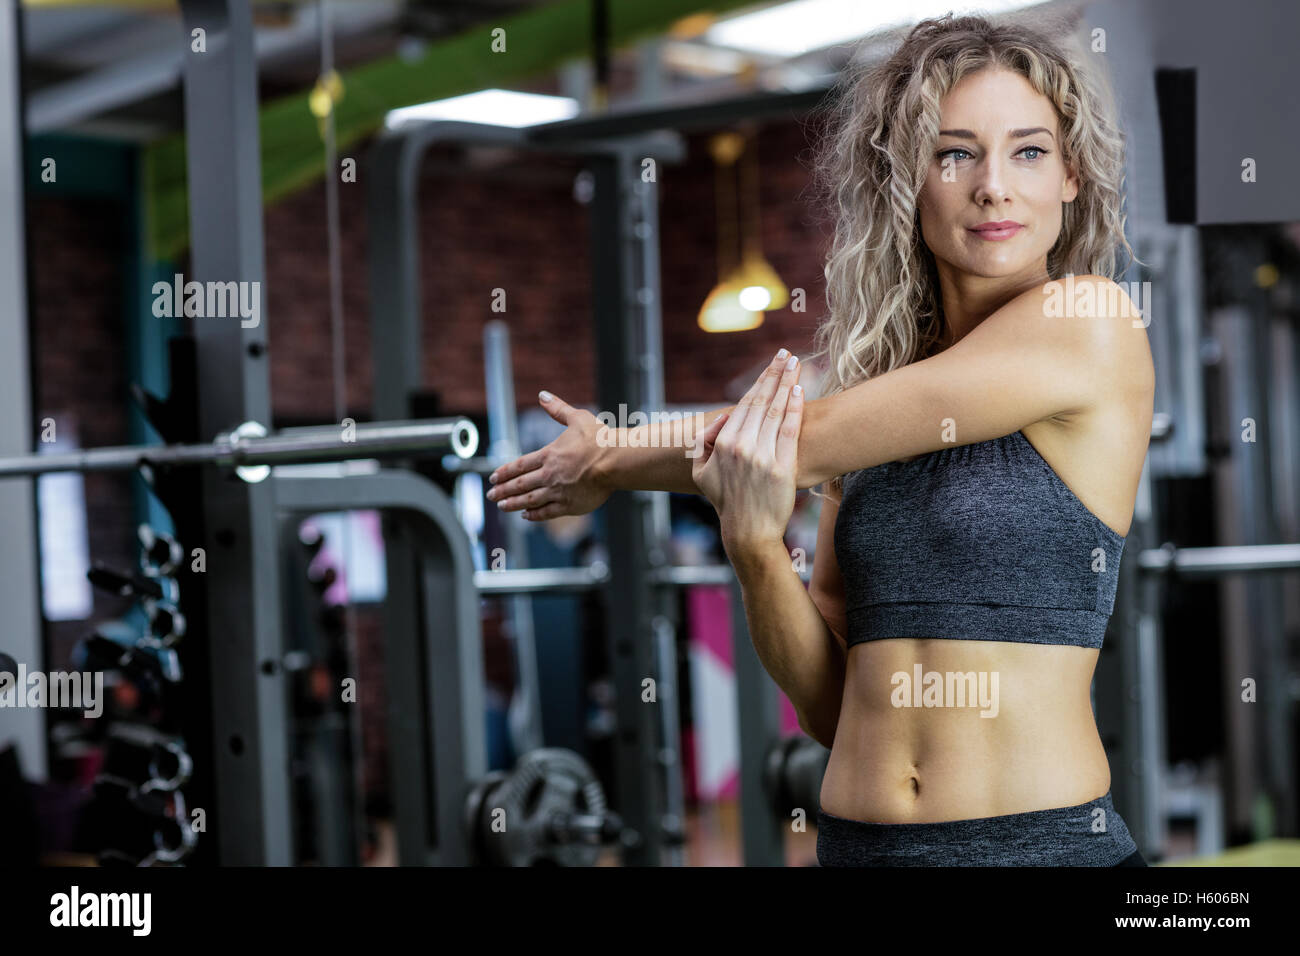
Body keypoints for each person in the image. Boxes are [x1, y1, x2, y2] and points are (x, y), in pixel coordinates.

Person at [485, 13, 1154, 866]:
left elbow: (801, 437)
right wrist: (758, 546)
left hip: (1036, 850)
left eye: (1028, 151)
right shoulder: (872, 392)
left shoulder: (1087, 321)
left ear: (1070, 176)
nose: (994, 186)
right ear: (906, 177)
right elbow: (832, 708)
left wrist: (609, 459)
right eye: (955, 152)